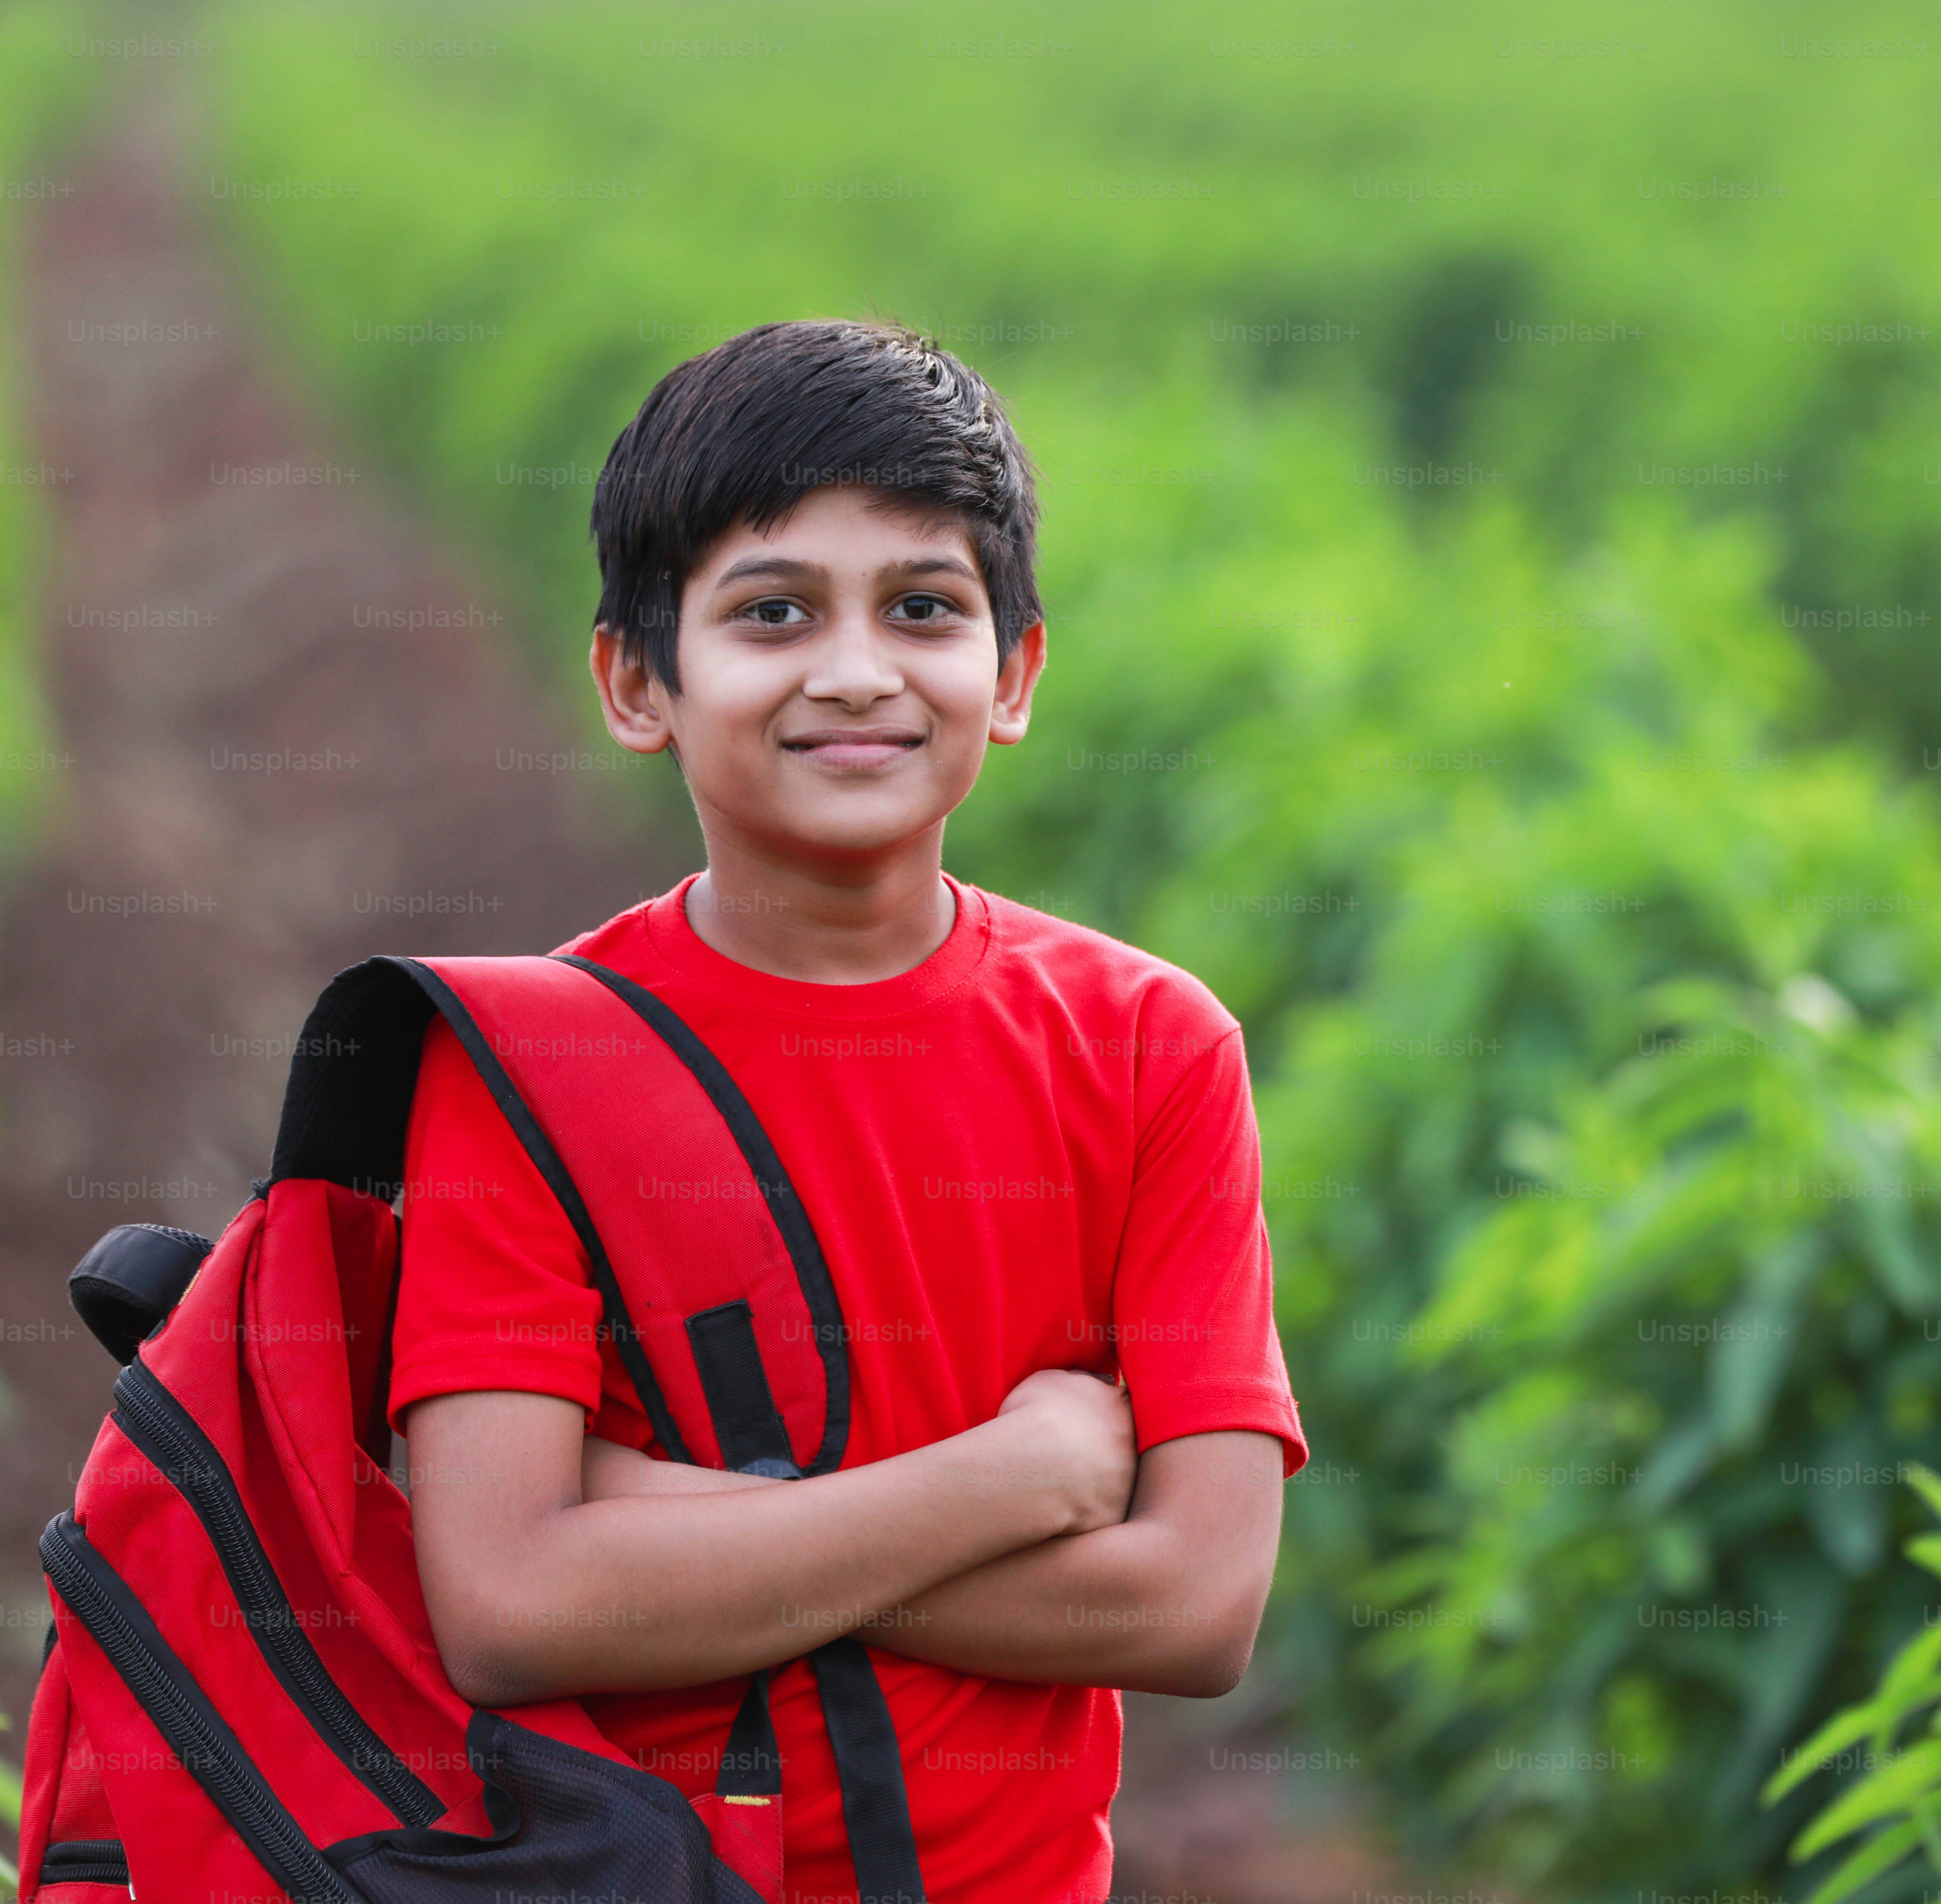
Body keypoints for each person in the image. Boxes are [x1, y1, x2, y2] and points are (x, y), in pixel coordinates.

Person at [390, 317, 1305, 1904]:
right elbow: (509, 1603)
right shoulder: (524, 1067)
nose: (859, 670)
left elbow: (1194, 1606)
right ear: (636, 681)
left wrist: (662, 1526)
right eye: (772, 612)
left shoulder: (1151, 1048)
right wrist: (1003, 1488)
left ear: (1012, 675)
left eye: (926, 608)